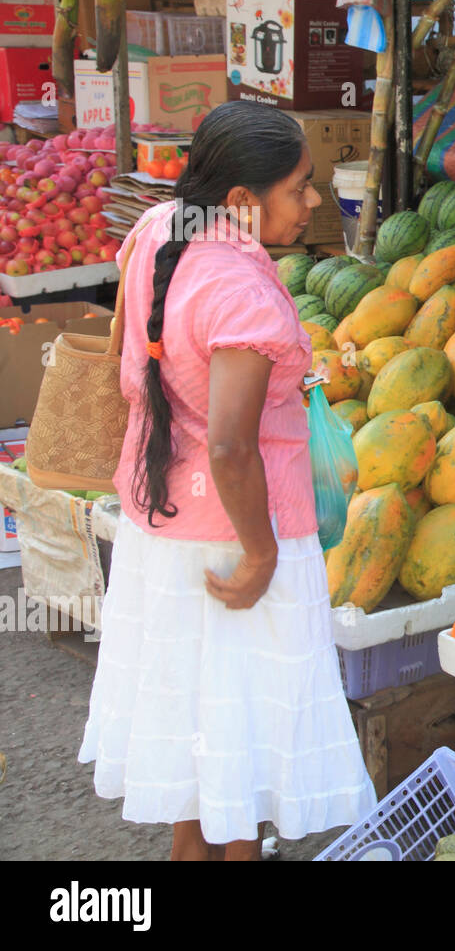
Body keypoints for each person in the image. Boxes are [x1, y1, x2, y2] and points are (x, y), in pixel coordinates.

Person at [78, 102, 376, 860]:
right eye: (301, 188)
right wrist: (261, 556)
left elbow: (129, 353)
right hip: (236, 537)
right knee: (241, 756)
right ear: (244, 202)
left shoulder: (155, 230)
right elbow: (233, 446)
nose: (311, 203)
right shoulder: (242, 294)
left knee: (201, 751)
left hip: (161, 526)